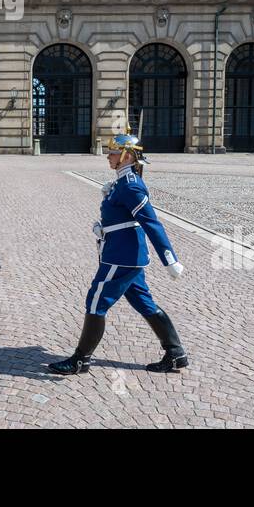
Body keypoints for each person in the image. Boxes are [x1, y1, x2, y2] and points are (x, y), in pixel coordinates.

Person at [47, 132, 189, 375]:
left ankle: (81, 359)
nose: (108, 157)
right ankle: (176, 354)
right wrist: (105, 226)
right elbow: (123, 218)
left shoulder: (131, 186)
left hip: (121, 257)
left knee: (96, 301)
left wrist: (170, 259)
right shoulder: (122, 183)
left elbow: (151, 223)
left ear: (126, 156)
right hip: (124, 254)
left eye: (113, 152)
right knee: (144, 303)